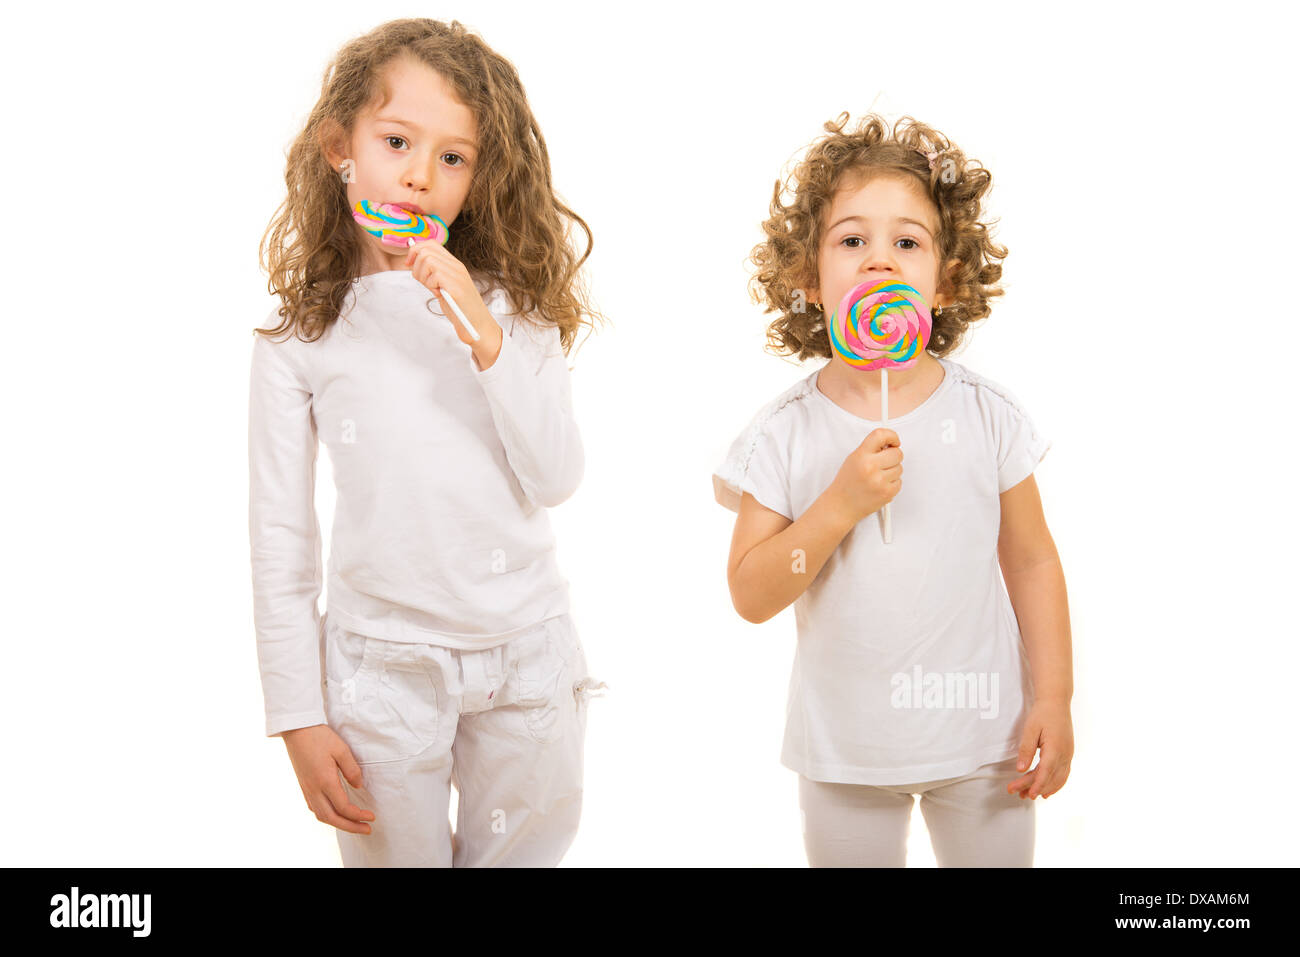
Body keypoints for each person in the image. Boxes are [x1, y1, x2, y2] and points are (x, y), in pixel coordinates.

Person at [249, 18, 606, 867]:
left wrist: (484, 332)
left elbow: (556, 475)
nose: (419, 175)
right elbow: (280, 540)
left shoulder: (513, 307)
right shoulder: (299, 338)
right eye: (396, 141)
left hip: (525, 658)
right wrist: (296, 714)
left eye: (453, 157)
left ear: (480, 180)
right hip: (380, 669)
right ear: (340, 147)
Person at [712, 112, 1073, 867]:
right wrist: (840, 503)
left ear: (946, 281)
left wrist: (1054, 697)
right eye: (851, 241)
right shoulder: (783, 432)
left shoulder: (988, 415)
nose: (879, 260)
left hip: (985, 739)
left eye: (907, 242)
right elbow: (750, 593)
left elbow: (1032, 560)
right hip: (845, 754)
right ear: (808, 277)